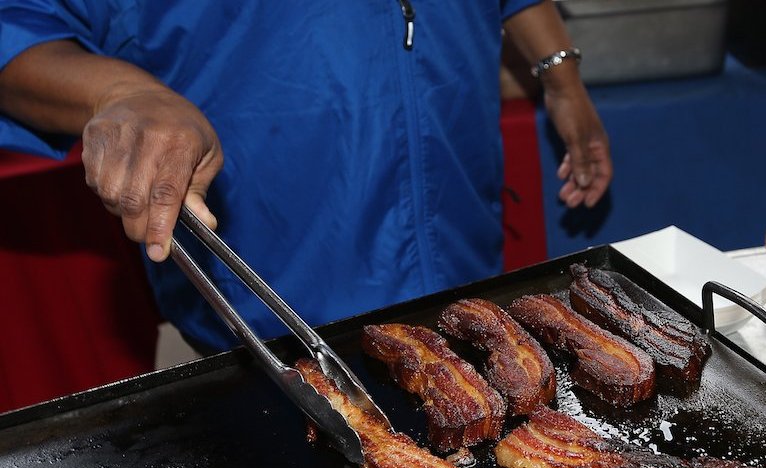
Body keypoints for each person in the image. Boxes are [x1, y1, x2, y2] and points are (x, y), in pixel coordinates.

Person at [0, 1, 611, 352]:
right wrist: (118, 90)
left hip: (461, 243)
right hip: (275, 288)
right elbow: (18, 27)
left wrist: (559, 71)